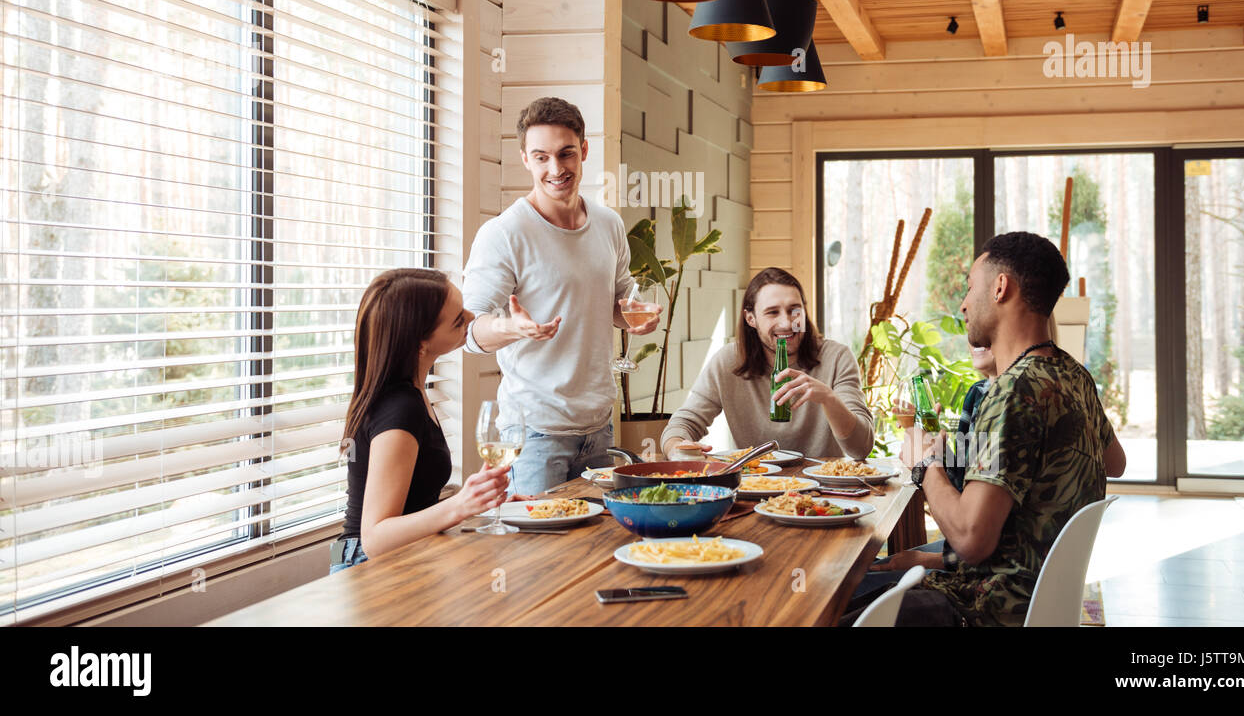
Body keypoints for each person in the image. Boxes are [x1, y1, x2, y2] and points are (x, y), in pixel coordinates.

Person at [847, 231, 1114, 625]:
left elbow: (971, 541)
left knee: (828, 603)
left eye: (971, 287)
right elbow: (1116, 459)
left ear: (1000, 287)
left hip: (982, 608)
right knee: (861, 585)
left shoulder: (1011, 391)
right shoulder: (1073, 374)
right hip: (1038, 599)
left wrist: (926, 462)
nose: (964, 303)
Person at [460, 97, 661, 494]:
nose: (556, 169)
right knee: (538, 555)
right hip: (534, 433)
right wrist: (512, 328)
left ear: (583, 150)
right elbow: (468, 331)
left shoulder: (608, 224)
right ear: (525, 159)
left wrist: (636, 317)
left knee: (597, 549)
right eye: (541, 157)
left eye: (566, 154)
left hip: (600, 427)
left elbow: (618, 305)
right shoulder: (504, 234)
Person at [330, 269, 513, 574]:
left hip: (390, 558)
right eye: (458, 319)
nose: (471, 318)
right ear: (420, 344)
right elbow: (375, 537)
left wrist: (481, 501)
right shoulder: (400, 410)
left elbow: (413, 501)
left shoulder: (411, 393)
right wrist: (460, 505)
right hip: (364, 568)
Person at [660, 267, 874, 460]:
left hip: (823, 493)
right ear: (750, 318)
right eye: (773, 312)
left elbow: (861, 448)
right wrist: (678, 448)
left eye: (794, 310)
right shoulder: (727, 361)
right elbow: (682, 424)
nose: (786, 322)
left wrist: (829, 398)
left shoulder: (837, 357)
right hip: (754, 487)